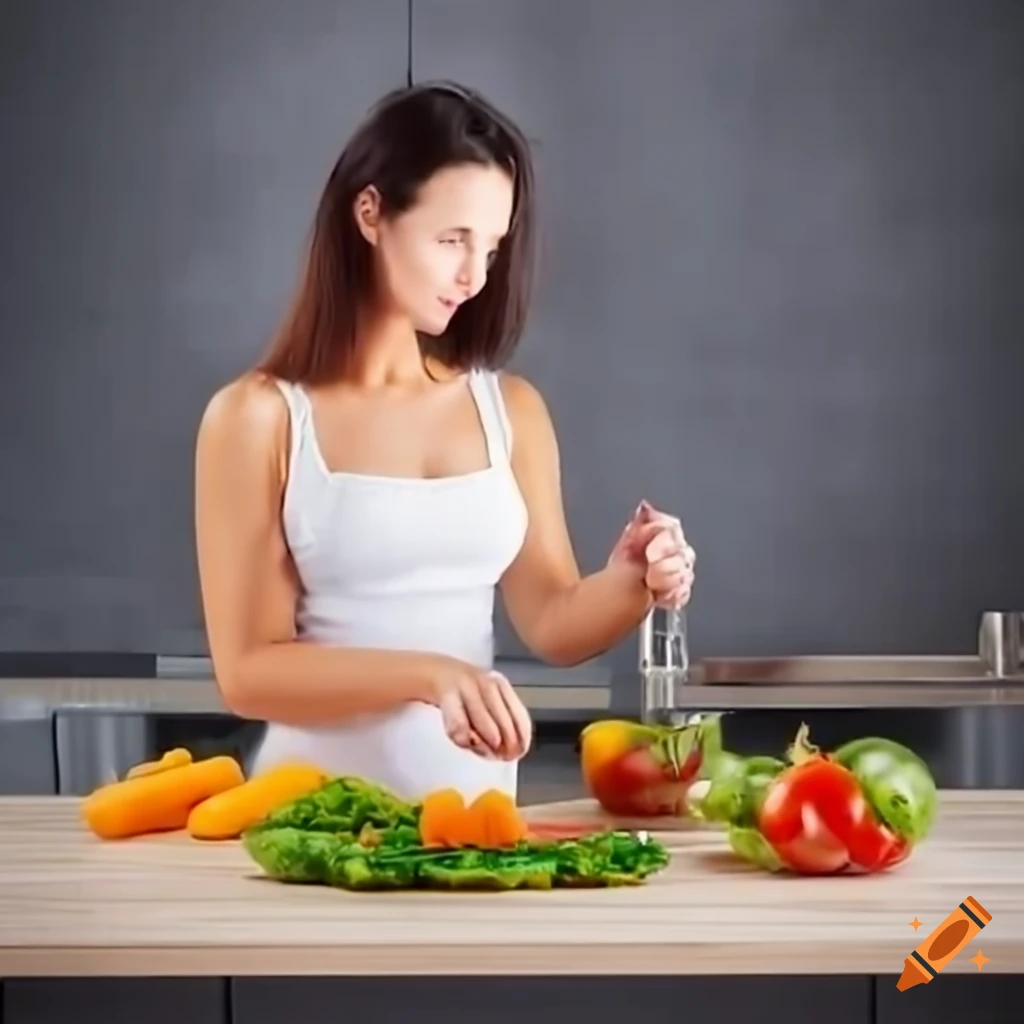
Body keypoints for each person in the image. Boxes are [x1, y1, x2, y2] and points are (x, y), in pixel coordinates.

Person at [193, 81, 696, 803]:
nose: (475, 275)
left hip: (471, 827)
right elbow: (248, 673)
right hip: (308, 829)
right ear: (371, 213)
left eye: (492, 246)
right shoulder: (258, 419)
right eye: (453, 239)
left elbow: (553, 622)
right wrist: (433, 675)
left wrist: (631, 582)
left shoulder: (510, 411)